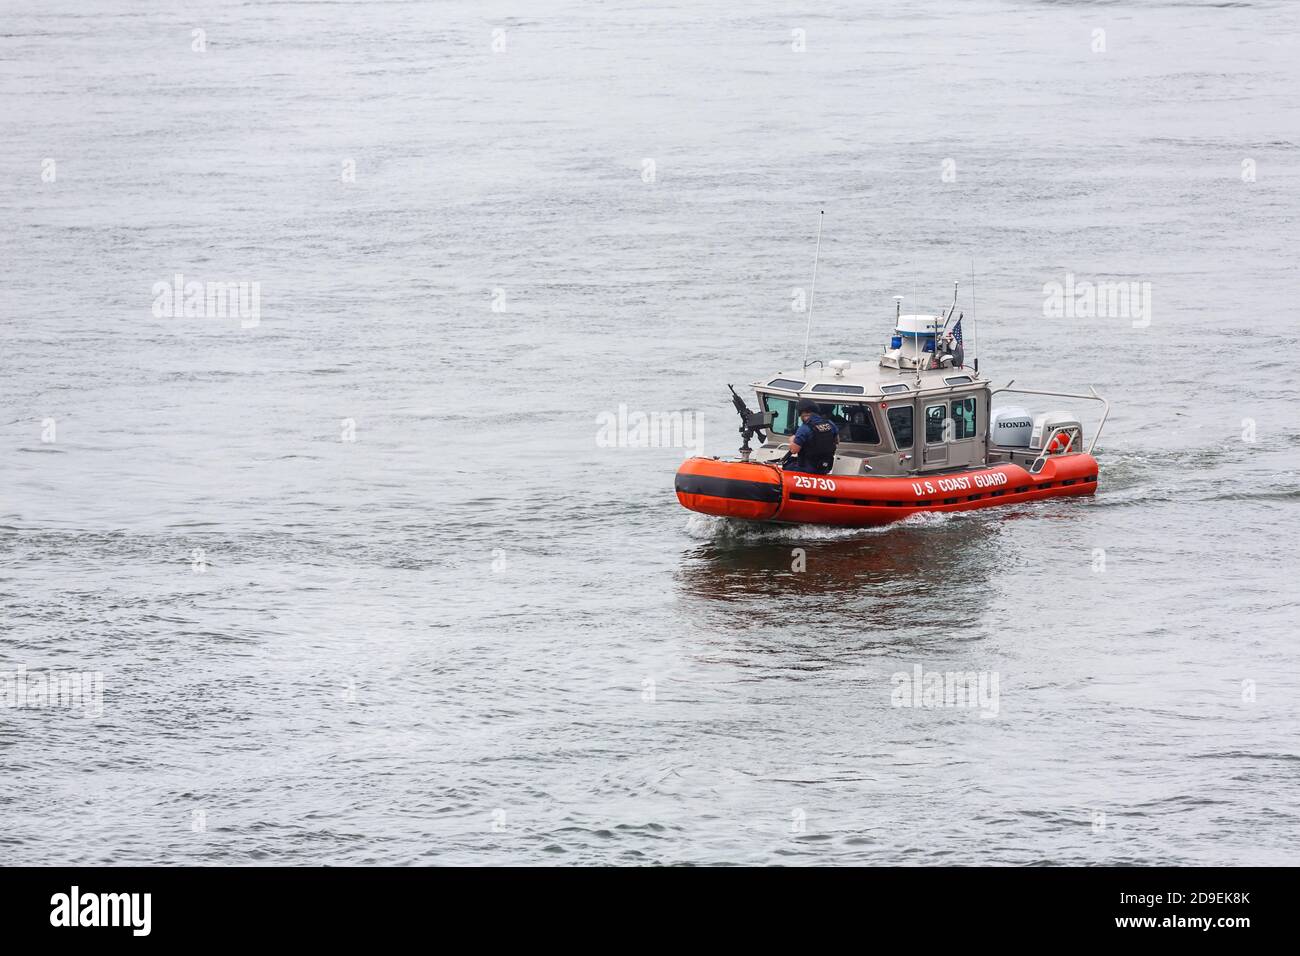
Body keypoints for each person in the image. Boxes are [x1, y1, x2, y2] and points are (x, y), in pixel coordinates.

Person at [785, 398, 839, 474]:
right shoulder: (830, 423)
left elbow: (794, 450)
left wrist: (792, 439)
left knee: (787, 466)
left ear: (802, 413)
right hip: (825, 467)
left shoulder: (804, 428)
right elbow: (837, 441)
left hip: (807, 469)